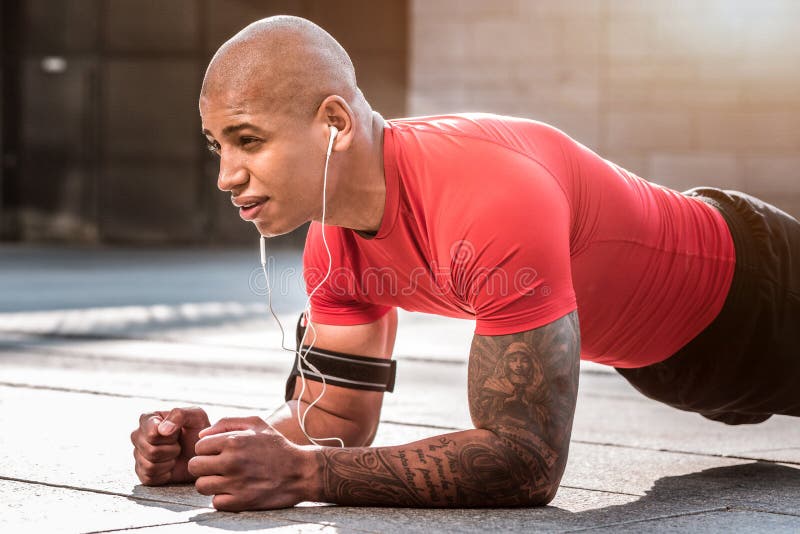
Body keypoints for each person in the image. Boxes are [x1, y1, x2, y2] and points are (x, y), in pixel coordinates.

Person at [130, 15, 800, 511]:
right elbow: (333, 423)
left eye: (248, 141)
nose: (226, 176)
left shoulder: (489, 193)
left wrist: (303, 475)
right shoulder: (333, 243)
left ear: (334, 123)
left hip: (764, 291)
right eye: (217, 145)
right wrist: (216, 453)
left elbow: (525, 460)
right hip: (668, 366)